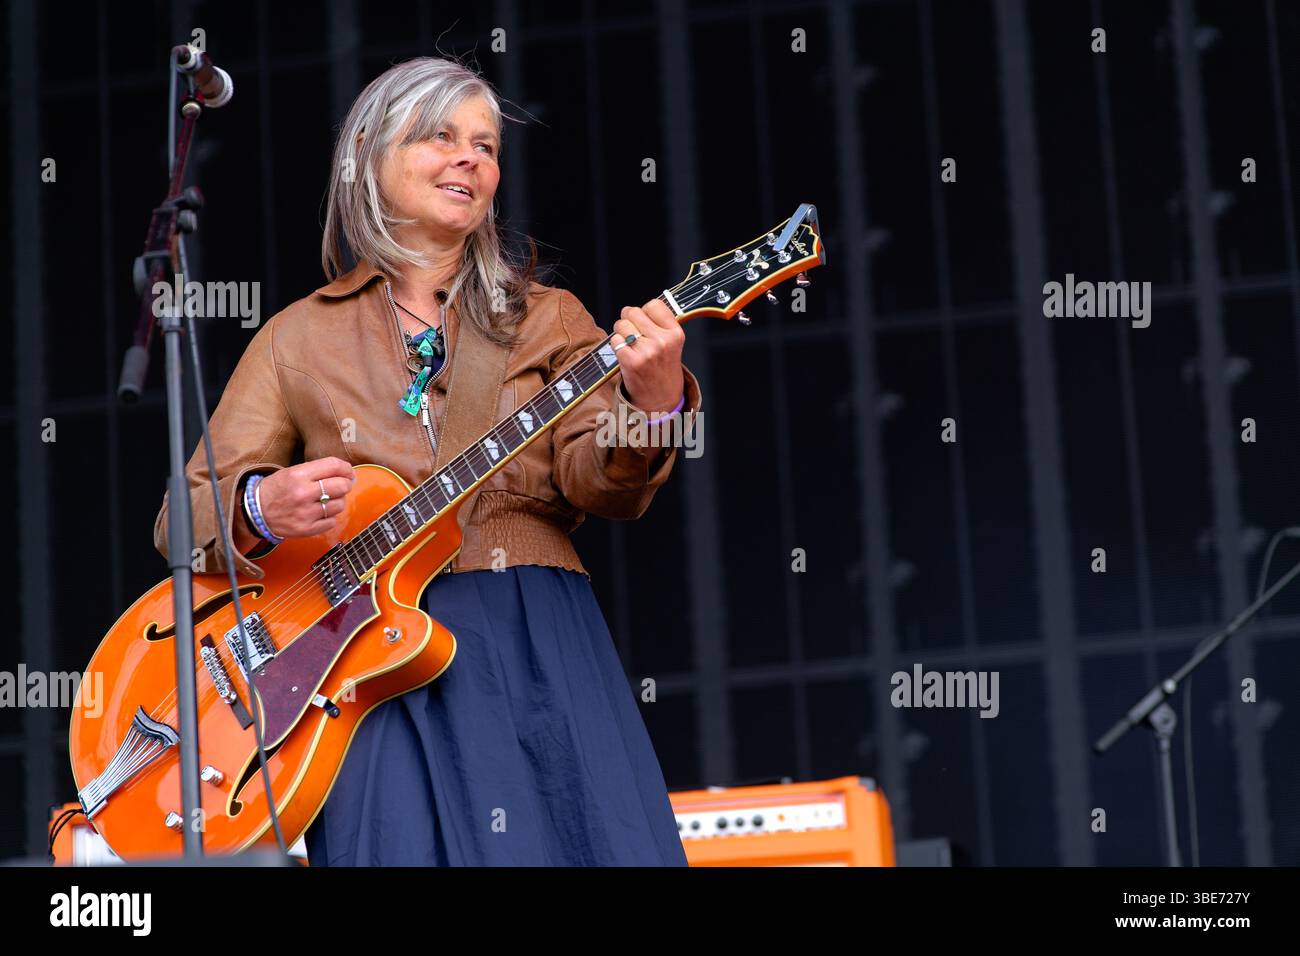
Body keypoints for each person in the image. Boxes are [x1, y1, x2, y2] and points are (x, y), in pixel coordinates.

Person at [153, 55, 699, 866]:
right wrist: (262, 506)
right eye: (440, 136)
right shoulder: (297, 338)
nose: (470, 157)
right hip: (366, 663)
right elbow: (181, 520)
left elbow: (604, 486)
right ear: (370, 157)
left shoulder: (548, 317)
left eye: (485, 145)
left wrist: (654, 406)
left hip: (531, 635)